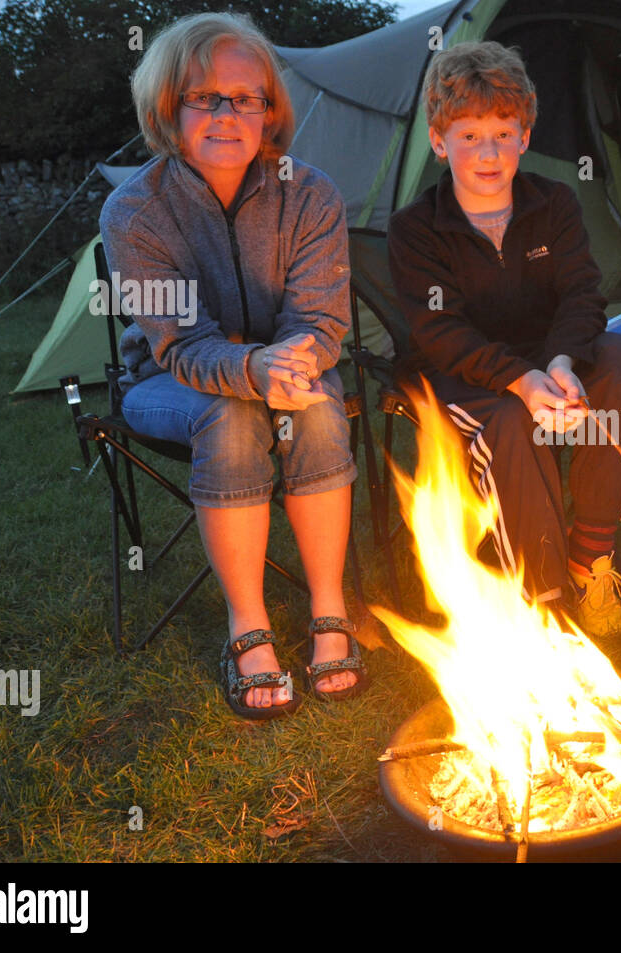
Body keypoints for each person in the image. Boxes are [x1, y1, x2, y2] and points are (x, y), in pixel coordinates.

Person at [99, 12, 365, 719]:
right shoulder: (135, 212)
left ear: (270, 110)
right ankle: (248, 626)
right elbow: (183, 344)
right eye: (205, 96)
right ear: (167, 106)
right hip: (169, 381)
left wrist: (294, 362)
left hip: (289, 361)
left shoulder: (309, 194)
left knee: (314, 409)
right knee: (230, 413)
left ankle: (328, 609)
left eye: (248, 98)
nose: (228, 114)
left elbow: (321, 319)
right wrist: (255, 370)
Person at [387, 41, 621, 638]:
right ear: (438, 140)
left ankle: (590, 557)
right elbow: (439, 329)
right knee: (508, 420)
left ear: (525, 137)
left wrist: (560, 363)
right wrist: (523, 381)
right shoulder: (415, 228)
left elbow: (583, 294)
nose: (488, 152)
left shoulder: (553, 203)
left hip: (545, 353)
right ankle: (542, 596)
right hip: (454, 371)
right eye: (470, 135)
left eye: (503, 133)